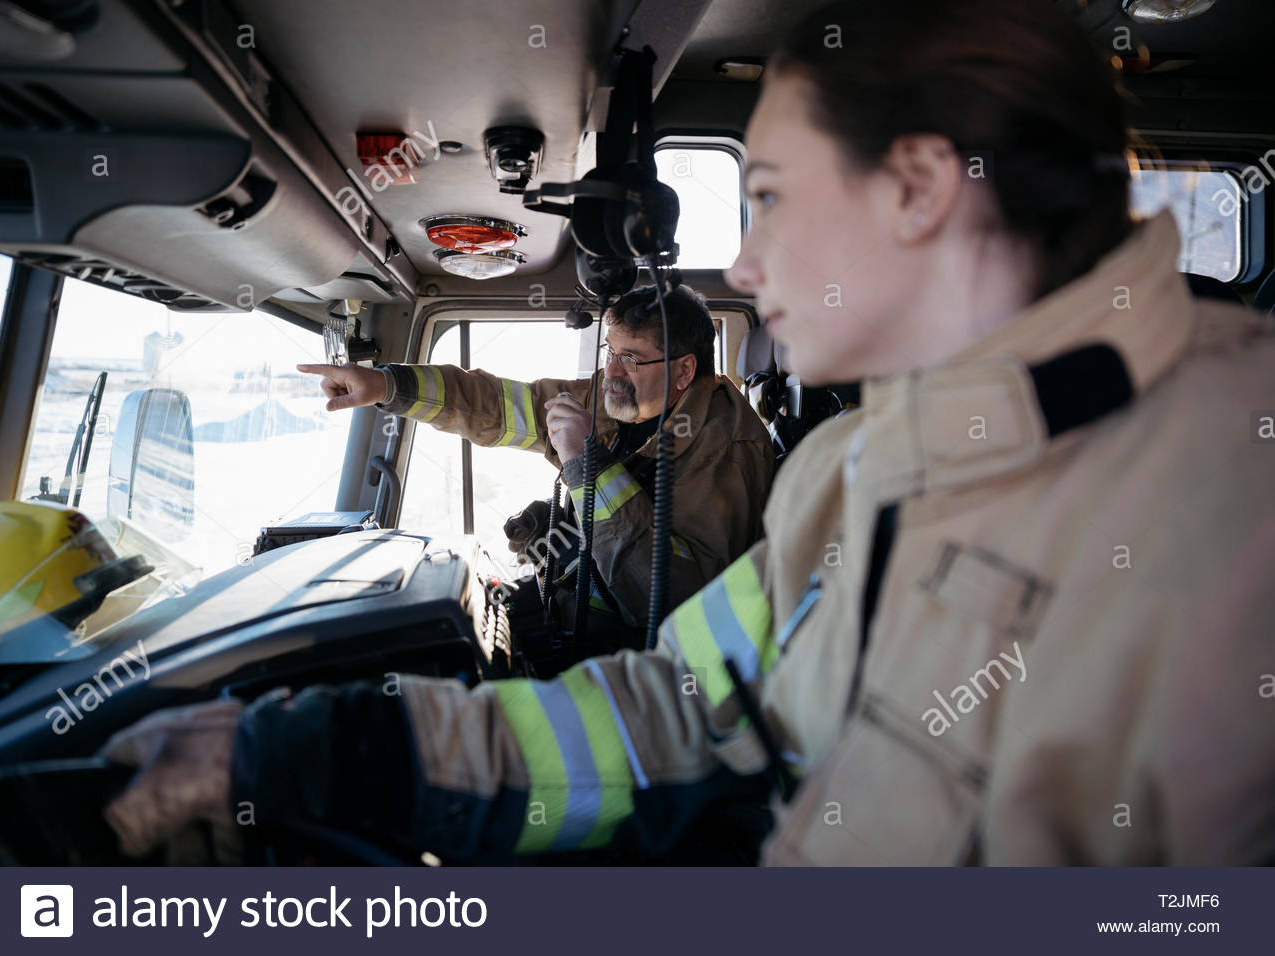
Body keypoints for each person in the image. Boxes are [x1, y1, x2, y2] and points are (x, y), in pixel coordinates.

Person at [103, 0, 1275, 864]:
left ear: (918, 188)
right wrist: (322, 752)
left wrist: (583, 474)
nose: (749, 264)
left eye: (767, 197)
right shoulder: (852, 470)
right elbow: (680, 701)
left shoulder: (1238, 486)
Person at [298, 283, 775, 646]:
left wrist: (586, 464)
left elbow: (676, 598)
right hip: (576, 609)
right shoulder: (623, 397)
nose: (609, 373)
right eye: (610, 351)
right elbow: (495, 405)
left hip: (643, 657)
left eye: (630, 358)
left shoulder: (728, 449)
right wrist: (387, 387)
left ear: (684, 370)